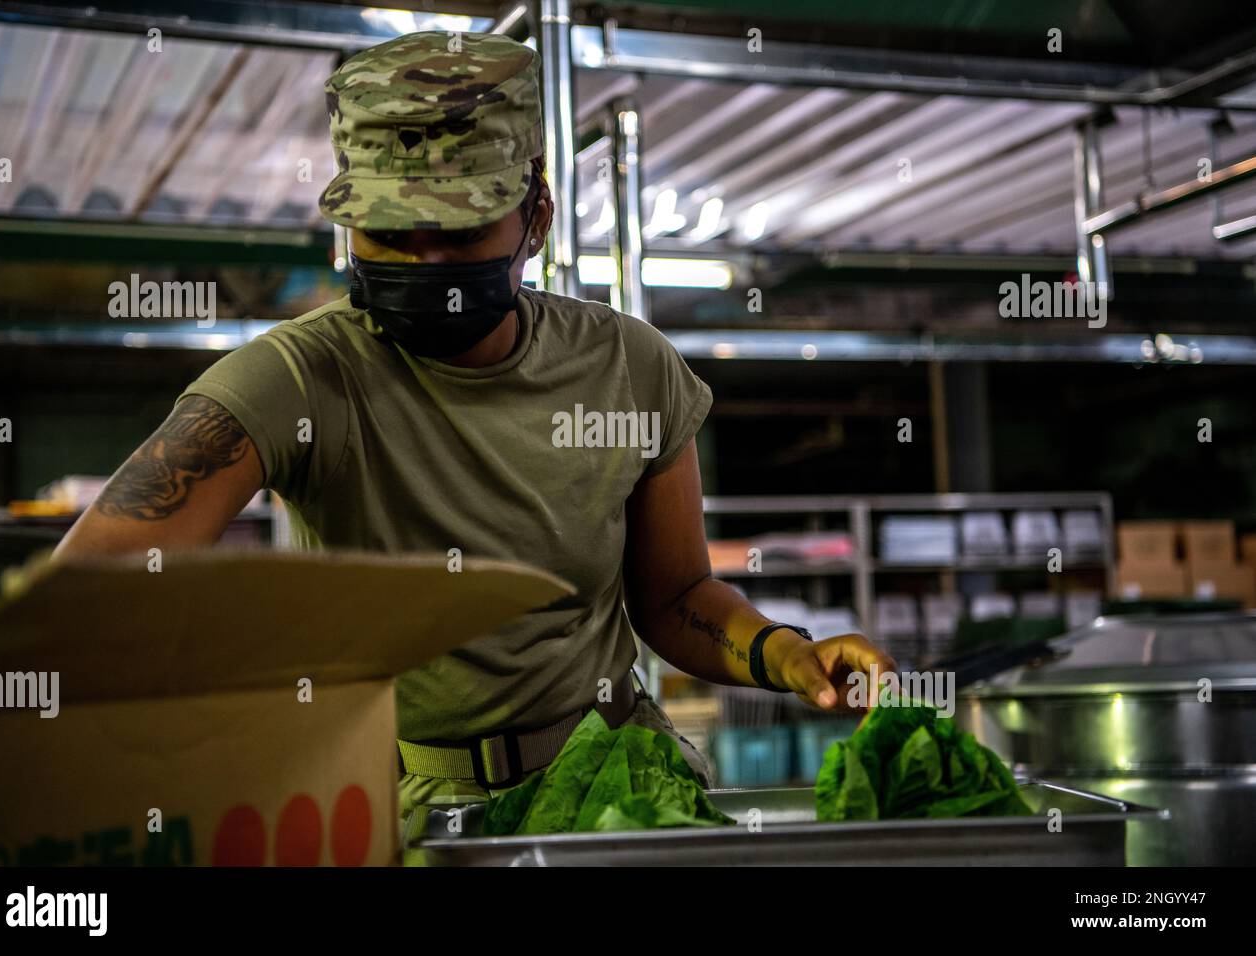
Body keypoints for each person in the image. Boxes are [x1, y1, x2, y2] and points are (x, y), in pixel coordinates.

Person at [54, 31, 894, 829]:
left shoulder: (627, 368)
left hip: (614, 784)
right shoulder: (300, 380)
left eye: (457, 231)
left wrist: (785, 653)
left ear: (537, 219)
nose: (423, 262)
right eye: (389, 232)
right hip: (398, 804)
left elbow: (674, 599)